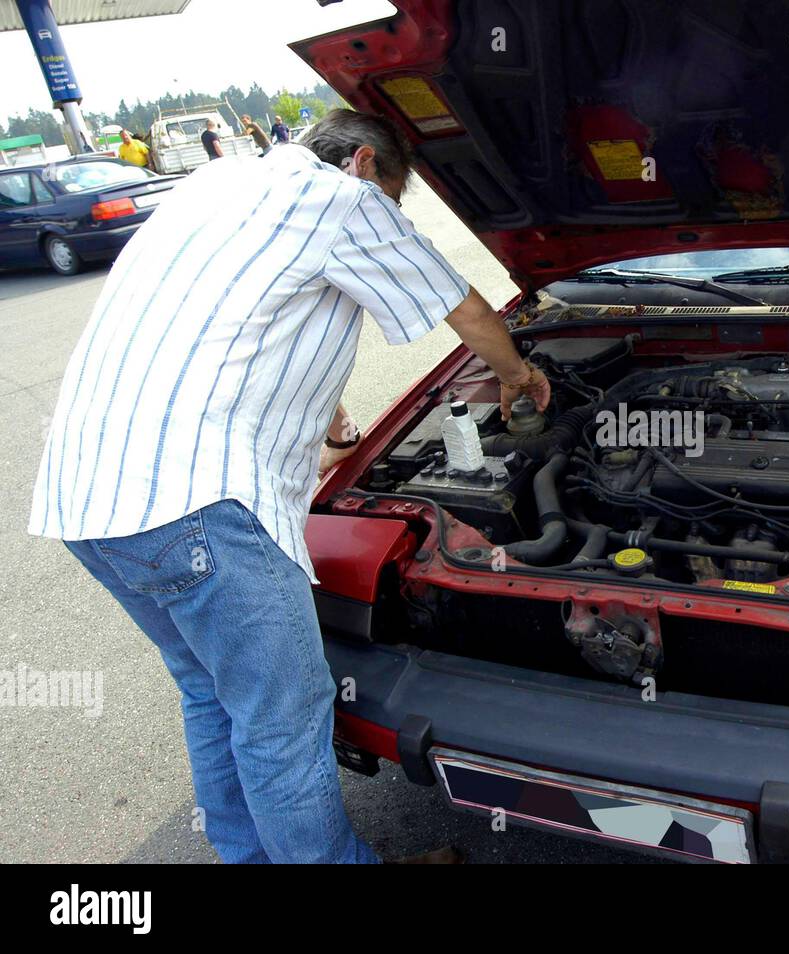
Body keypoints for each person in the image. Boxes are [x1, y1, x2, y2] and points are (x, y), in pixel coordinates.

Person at [30, 108, 550, 864]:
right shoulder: (342, 199)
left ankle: (248, 857)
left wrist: (330, 425)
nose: (389, 216)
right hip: (194, 504)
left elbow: (244, 323)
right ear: (367, 166)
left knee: (214, 693)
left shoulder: (217, 184)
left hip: (86, 496)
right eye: (396, 200)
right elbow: (466, 309)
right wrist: (520, 375)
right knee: (284, 717)